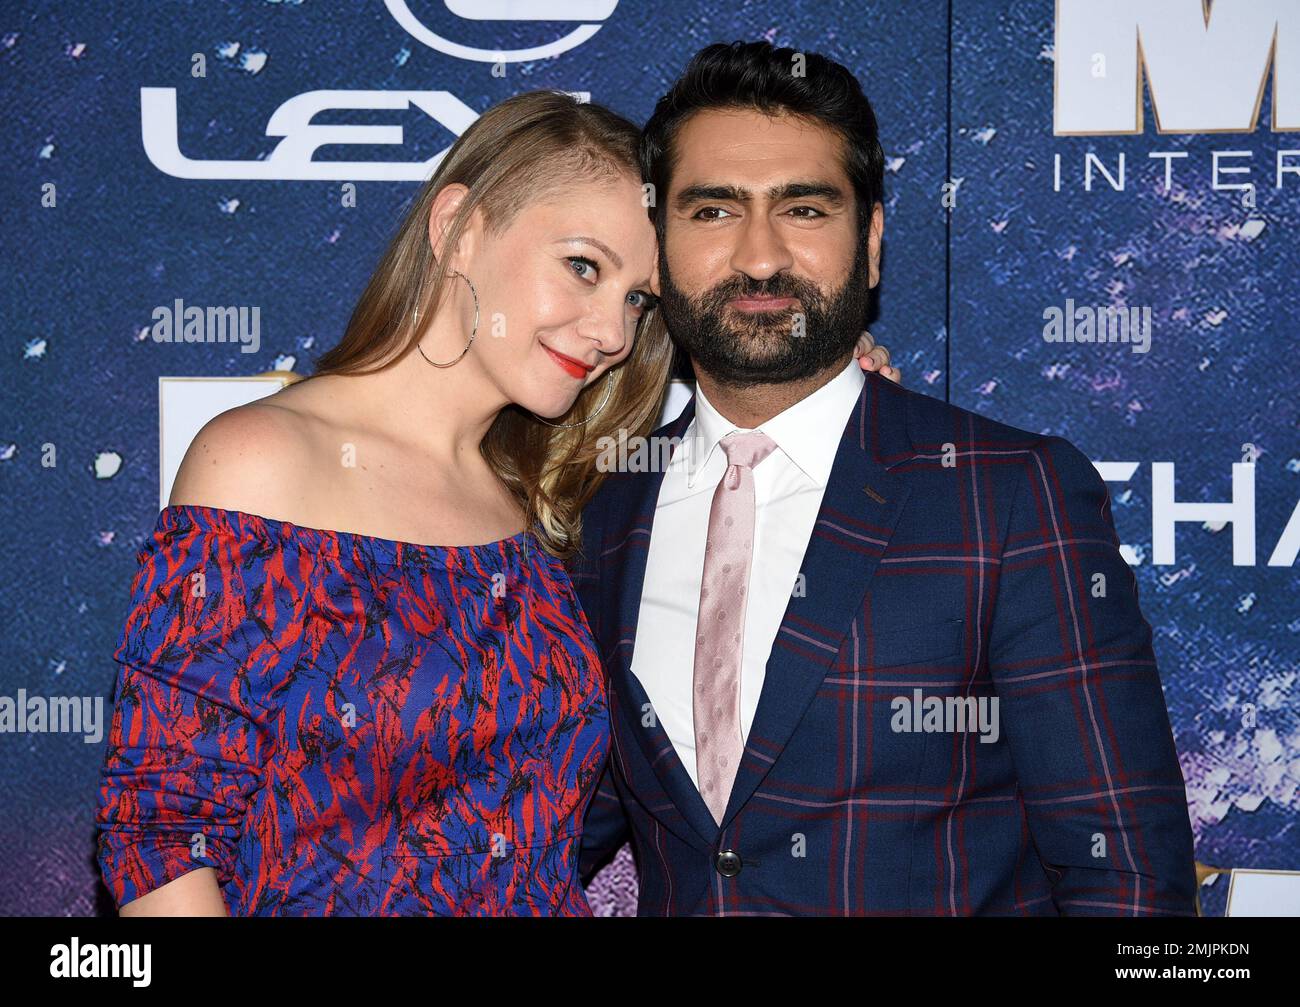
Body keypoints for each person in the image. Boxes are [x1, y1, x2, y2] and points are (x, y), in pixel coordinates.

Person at [94, 88, 899, 916]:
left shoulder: (549, 501)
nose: (613, 333)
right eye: (583, 267)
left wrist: (819, 397)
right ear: (458, 228)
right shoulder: (261, 461)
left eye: (636, 300)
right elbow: (159, 835)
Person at [574, 41, 1198, 916]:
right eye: (713, 211)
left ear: (869, 243)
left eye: (803, 208)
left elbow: (1130, 887)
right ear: (660, 242)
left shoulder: (1008, 495)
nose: (759, 258)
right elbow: (544, 826)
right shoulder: (603, 513)